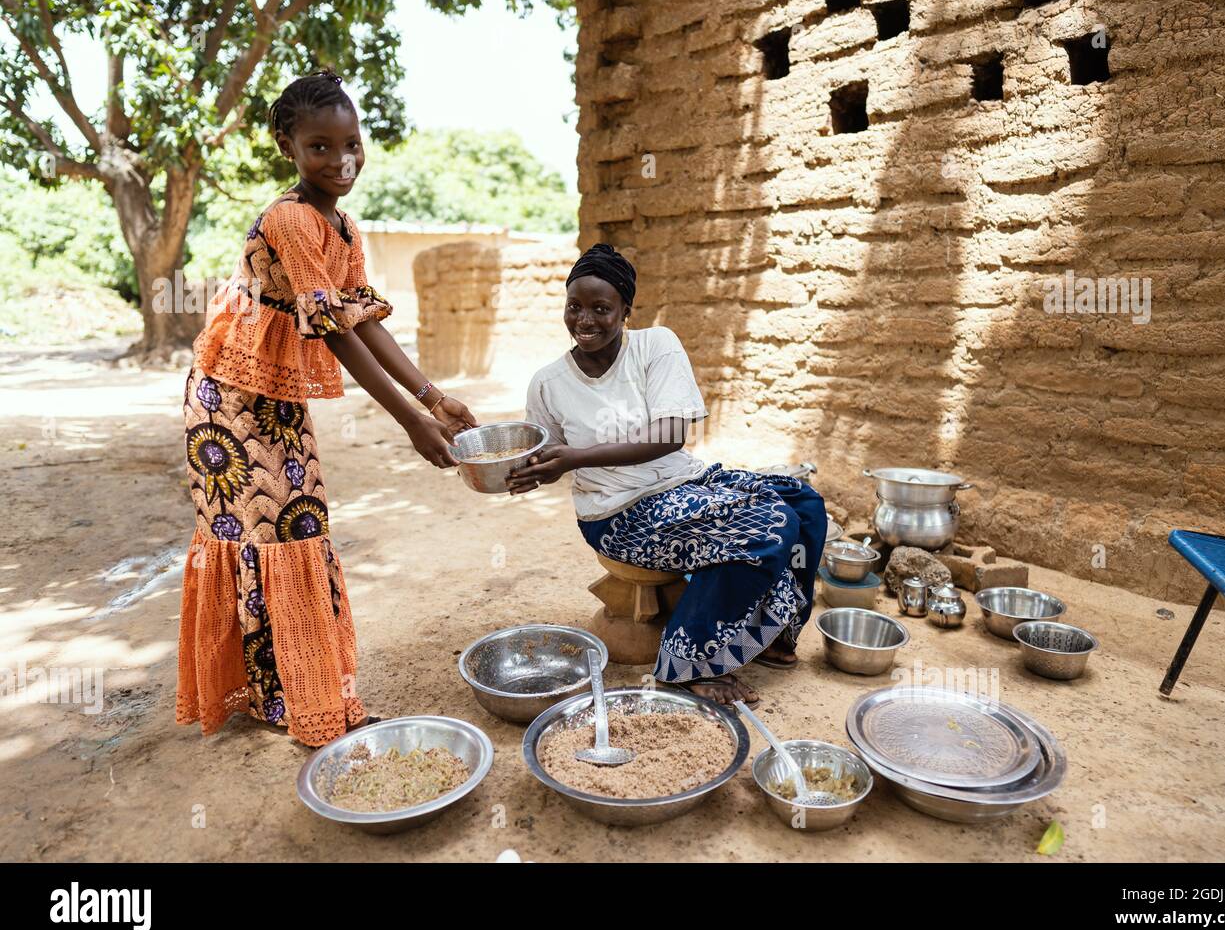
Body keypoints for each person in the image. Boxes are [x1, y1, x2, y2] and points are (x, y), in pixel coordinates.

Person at [177, 71, 477, 747]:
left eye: (351, 143)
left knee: (297, 528)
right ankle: (284, 697)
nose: (341, 160)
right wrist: (413, 425)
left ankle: (301, 691)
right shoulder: (290, 219)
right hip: (227, 399)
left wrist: (436, 397)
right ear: (287, 145)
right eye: (320, 146)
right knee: (268, 537)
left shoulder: (341, 225)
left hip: (274, 396)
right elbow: (333, 332)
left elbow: (363, 319)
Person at [507, 244, 826, 704]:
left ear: (625, 312)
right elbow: (551, 458)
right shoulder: (548, 382)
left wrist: (574, 456)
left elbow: (670, 436)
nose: (585, 320)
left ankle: (772, 629)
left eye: (601, 308)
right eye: (574, 307)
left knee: (803, 503)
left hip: (684, 482)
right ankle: (688, 662)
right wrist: (531, 473)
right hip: (618, 515)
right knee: (769, 528)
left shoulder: (656, 346)